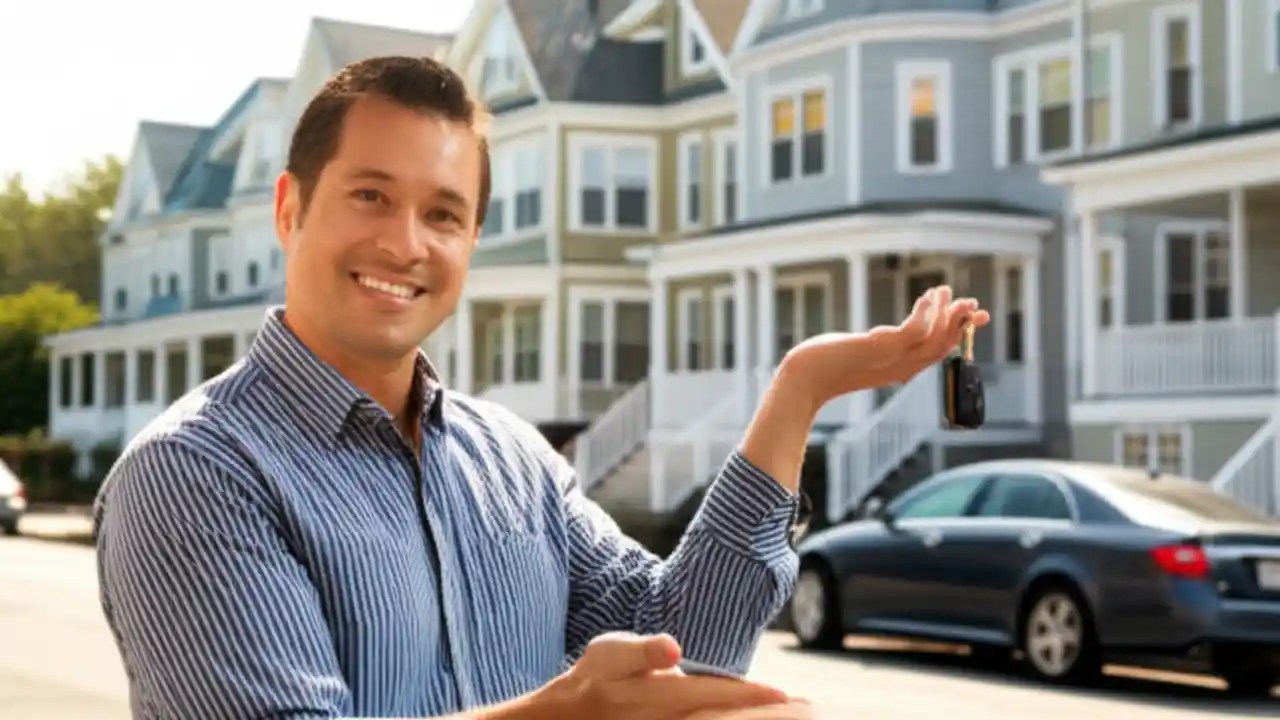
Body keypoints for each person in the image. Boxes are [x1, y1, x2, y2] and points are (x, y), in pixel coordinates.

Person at [93, 55, 989, 720]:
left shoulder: (513, 458)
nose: (407, 243)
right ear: (289, 209)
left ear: (473, 240)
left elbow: (684, 638)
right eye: (370, 196)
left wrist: (799, 391)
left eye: (444, 214)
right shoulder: (191, 473)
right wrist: (562, 717)